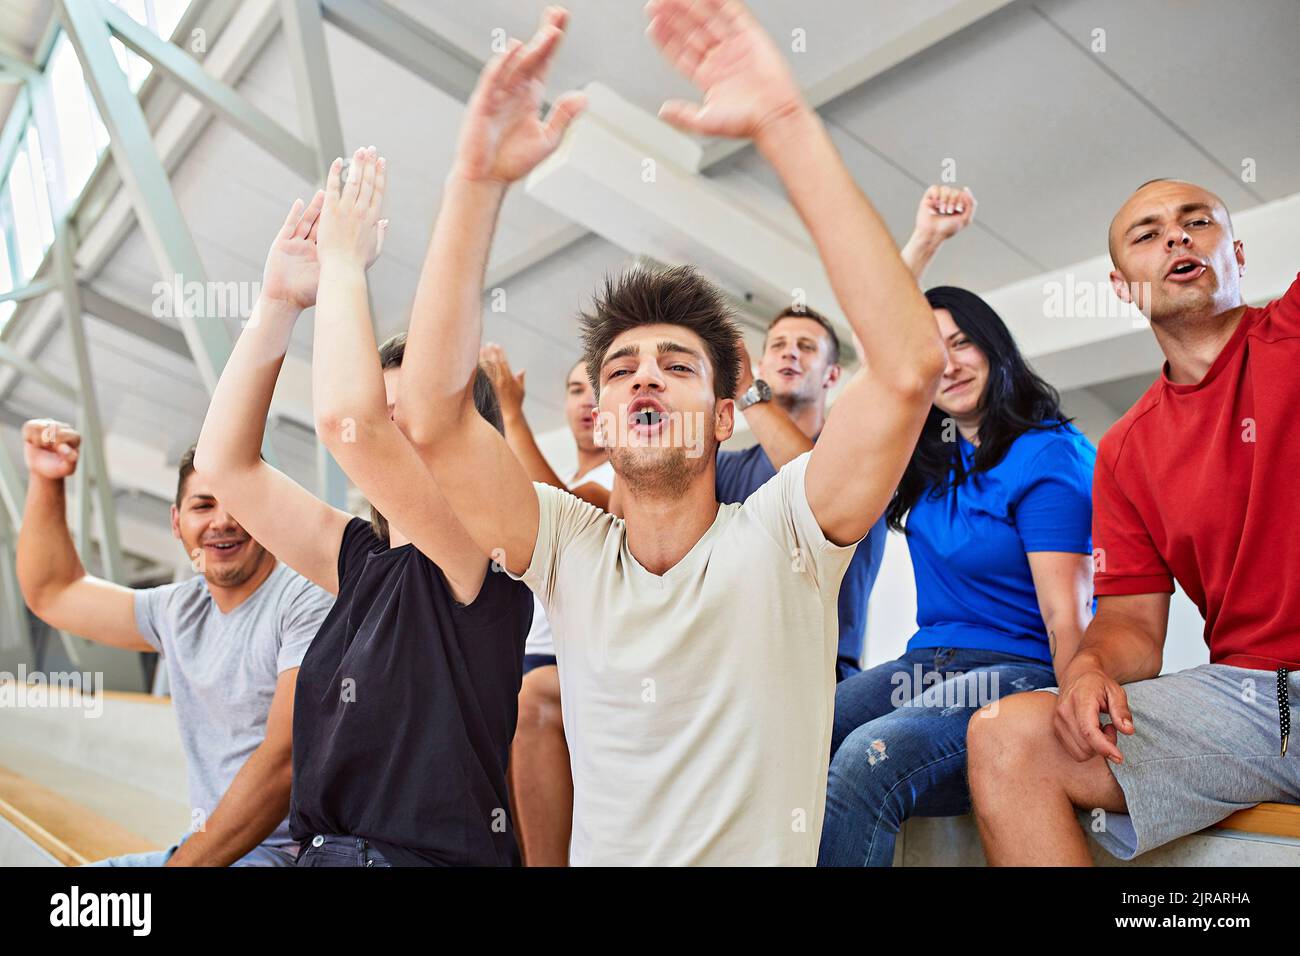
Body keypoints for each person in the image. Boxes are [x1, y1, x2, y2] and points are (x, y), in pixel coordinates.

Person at [388, 3, 947, 864]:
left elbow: (909, 366)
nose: (644, 375)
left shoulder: (786, 533)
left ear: (726, 417)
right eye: (621, 370)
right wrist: (475, 180)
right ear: (603, 421)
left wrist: (784, 123)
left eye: (678, 366)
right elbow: (430, 417)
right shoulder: (570, 546)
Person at [193, 155, 532, 867]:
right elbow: (226, 464)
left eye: (408, 416)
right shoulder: (363, 562)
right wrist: (279, 304)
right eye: (387, 409)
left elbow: (350, 423)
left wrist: (346, 265)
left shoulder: (483, 567)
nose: (389, 429)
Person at [966, 178, 1300, 865]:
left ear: (1235, 253)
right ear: (1123, 286)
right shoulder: (1123, 450)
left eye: (1197, 223)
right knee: (1007, 735)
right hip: (1259, 705)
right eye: (1147, 234)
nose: (1176, 236)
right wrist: (1088, 667)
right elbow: (1133, 627)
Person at [818, 287, 1096, 866]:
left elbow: (1066, 612)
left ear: (995, 347)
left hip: (1019, 670)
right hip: (925, 662)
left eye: (962, 342)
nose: (948, 364)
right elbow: (846, 431)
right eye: (930, 352)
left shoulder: (1049, 455)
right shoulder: (930, 457)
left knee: (865, 758)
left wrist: (1074, 710)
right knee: (794, 733)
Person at [16, 427, 331, 867]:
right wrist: (46, 479)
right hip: (213, 851)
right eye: (203, 505)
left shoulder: (307, 599)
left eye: (239, 503)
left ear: (268, 513)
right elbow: (54, 591)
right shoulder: (179, 609)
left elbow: (285, 763)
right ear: (177, 521)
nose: (221, 521)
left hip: (295, 856)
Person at [718, 184, 977, 681]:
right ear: (763, 359)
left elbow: (810, 482)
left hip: (823, 677)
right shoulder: (724, 467)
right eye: (778, 346)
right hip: (727, 670)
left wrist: (923, 240)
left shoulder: (862, 452)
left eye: (807, 347)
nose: (790, 353)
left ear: (834, 376)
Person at [479, 345, 615, 865]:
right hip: (523, 656)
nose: (586, 402)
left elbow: (558, 516)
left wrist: (510, 412)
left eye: (597, 391)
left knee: (528, 696)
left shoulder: (615, 481)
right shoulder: (549, 472)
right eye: (575, 390)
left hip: (567, 658)